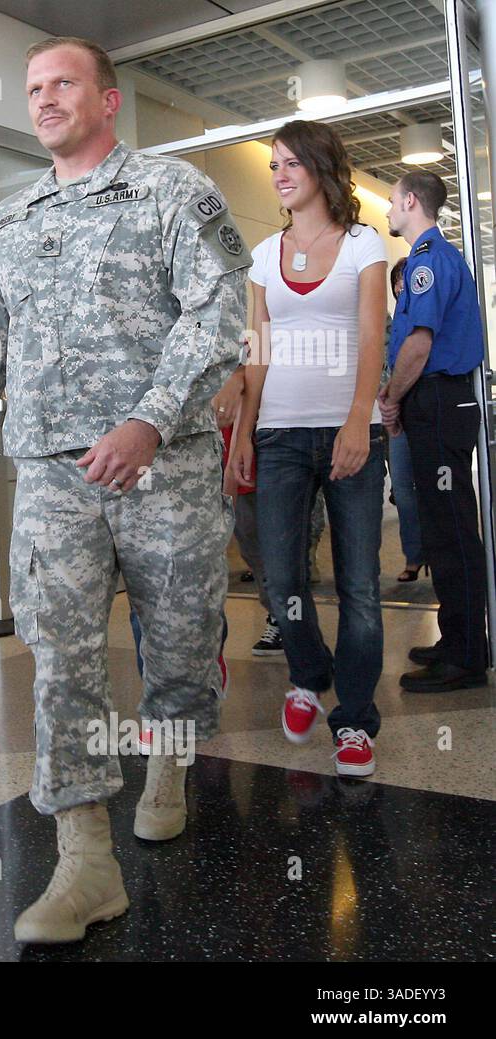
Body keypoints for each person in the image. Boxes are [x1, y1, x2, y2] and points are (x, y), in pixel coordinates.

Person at [0, 36, 248, 943]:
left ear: (109, 101)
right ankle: (85, 860)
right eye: (33, 87)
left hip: (168, 465)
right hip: (51, 476)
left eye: (63, 82)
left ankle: (169, 764)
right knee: (62, 657)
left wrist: (149, 418)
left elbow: (220, 314)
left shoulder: (174, 191)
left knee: (184, 641)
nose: (43, 99)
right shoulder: (9, 220)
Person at [230, 120, 388, 778]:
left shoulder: (362, 245)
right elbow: (258, 349)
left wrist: (358, 418)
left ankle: (353, 720)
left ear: (323, 169)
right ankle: (308, 672)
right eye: (274, 166)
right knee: (282, 575)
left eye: (291, 163)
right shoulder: (266, 254)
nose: (280, 175)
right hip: (280, 433)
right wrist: (244, 428)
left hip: (350, 429)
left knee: (358, 583)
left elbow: (373, 336)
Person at [380, 171, 489, 691]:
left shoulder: (427, 263)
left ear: (409, 201)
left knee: (451, 530)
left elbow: (419, 346)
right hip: (437, 401)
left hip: (439, 400)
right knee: (442, 525)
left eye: (391, 201)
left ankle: (467, 657)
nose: (387, 209)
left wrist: (391, 398)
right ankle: (457, 638)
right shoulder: (434, 259)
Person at [386, 256, 426, 583]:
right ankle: (413, 555)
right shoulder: (391, 323)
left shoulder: (424, 317)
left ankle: (436, 556)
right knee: (401, 487)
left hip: (426, 412)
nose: (401, 285)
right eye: (397, 280)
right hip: (396, 418)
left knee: (433, 486)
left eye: (405, 279)